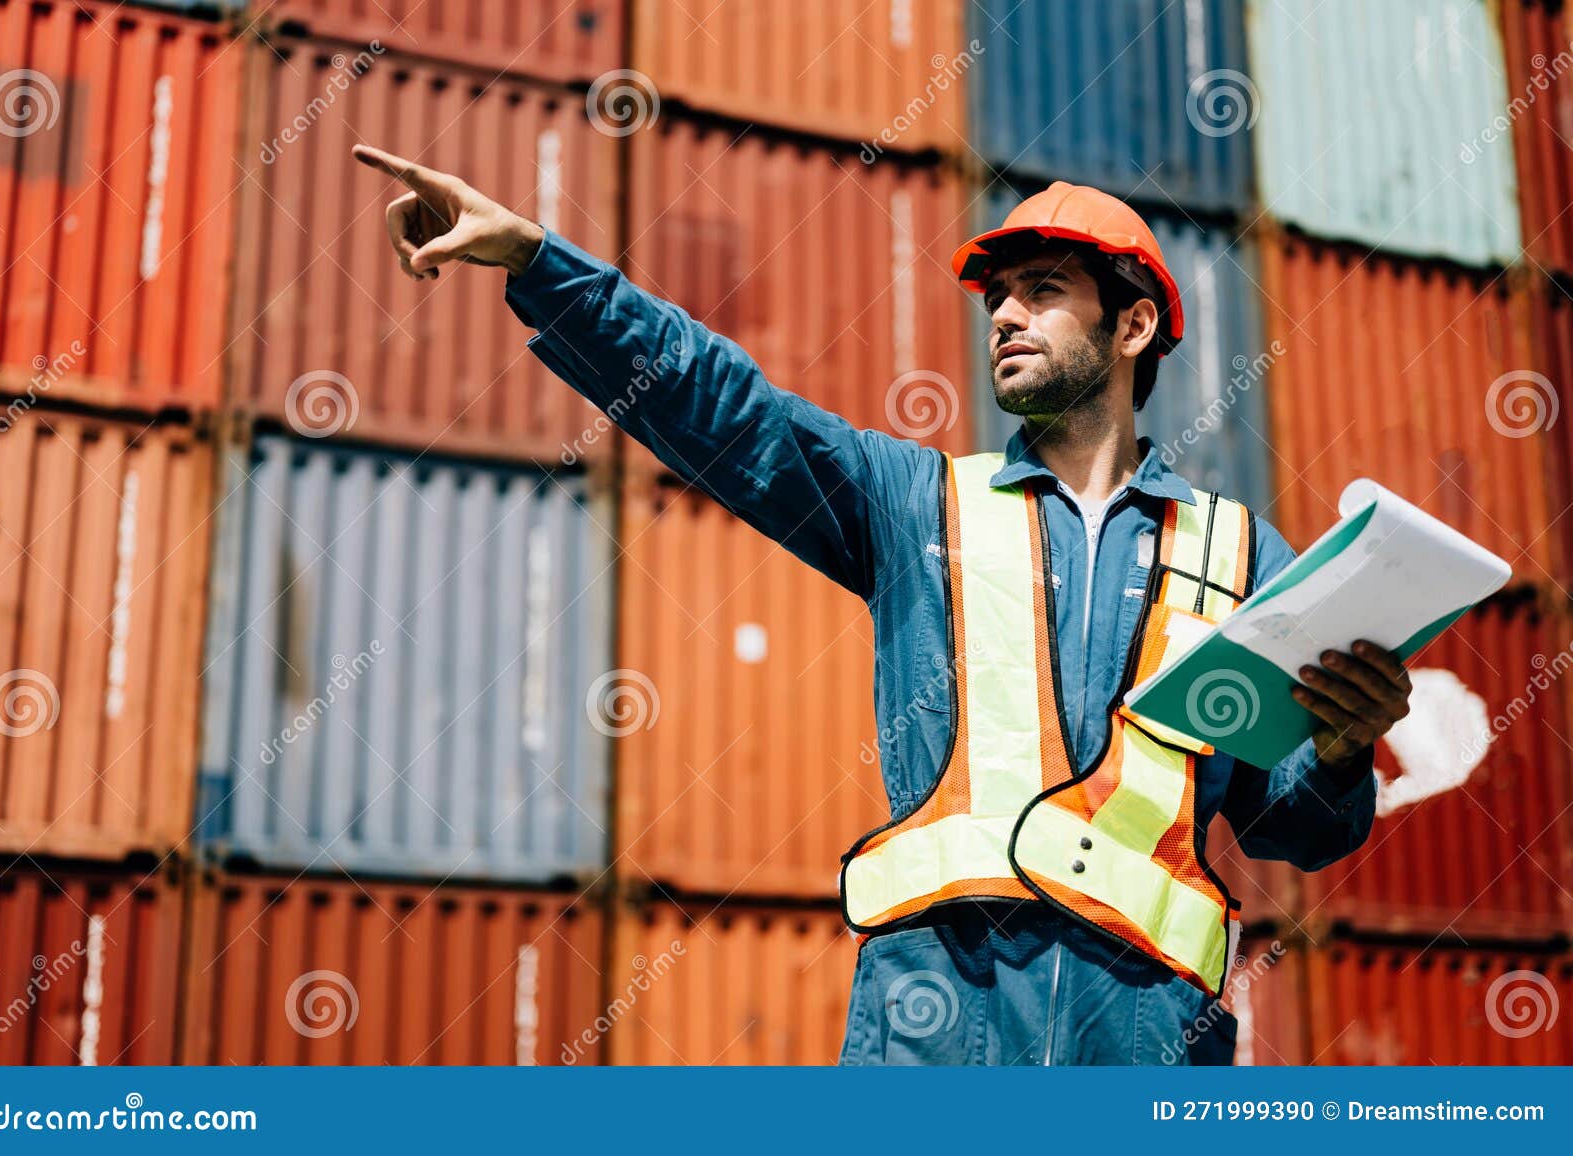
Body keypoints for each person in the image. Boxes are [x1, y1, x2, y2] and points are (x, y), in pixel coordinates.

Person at [352, 145, 1412, 1066]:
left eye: (1042, 289)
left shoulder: (1242, 557)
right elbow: (722, 405)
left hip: (1147, 1037)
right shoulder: (917, 506)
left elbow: (1292, 826)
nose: (1004, 314)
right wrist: (539, 261)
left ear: (1134, 325)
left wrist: (1340, 746)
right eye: (996, 298)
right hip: (939, 1022)